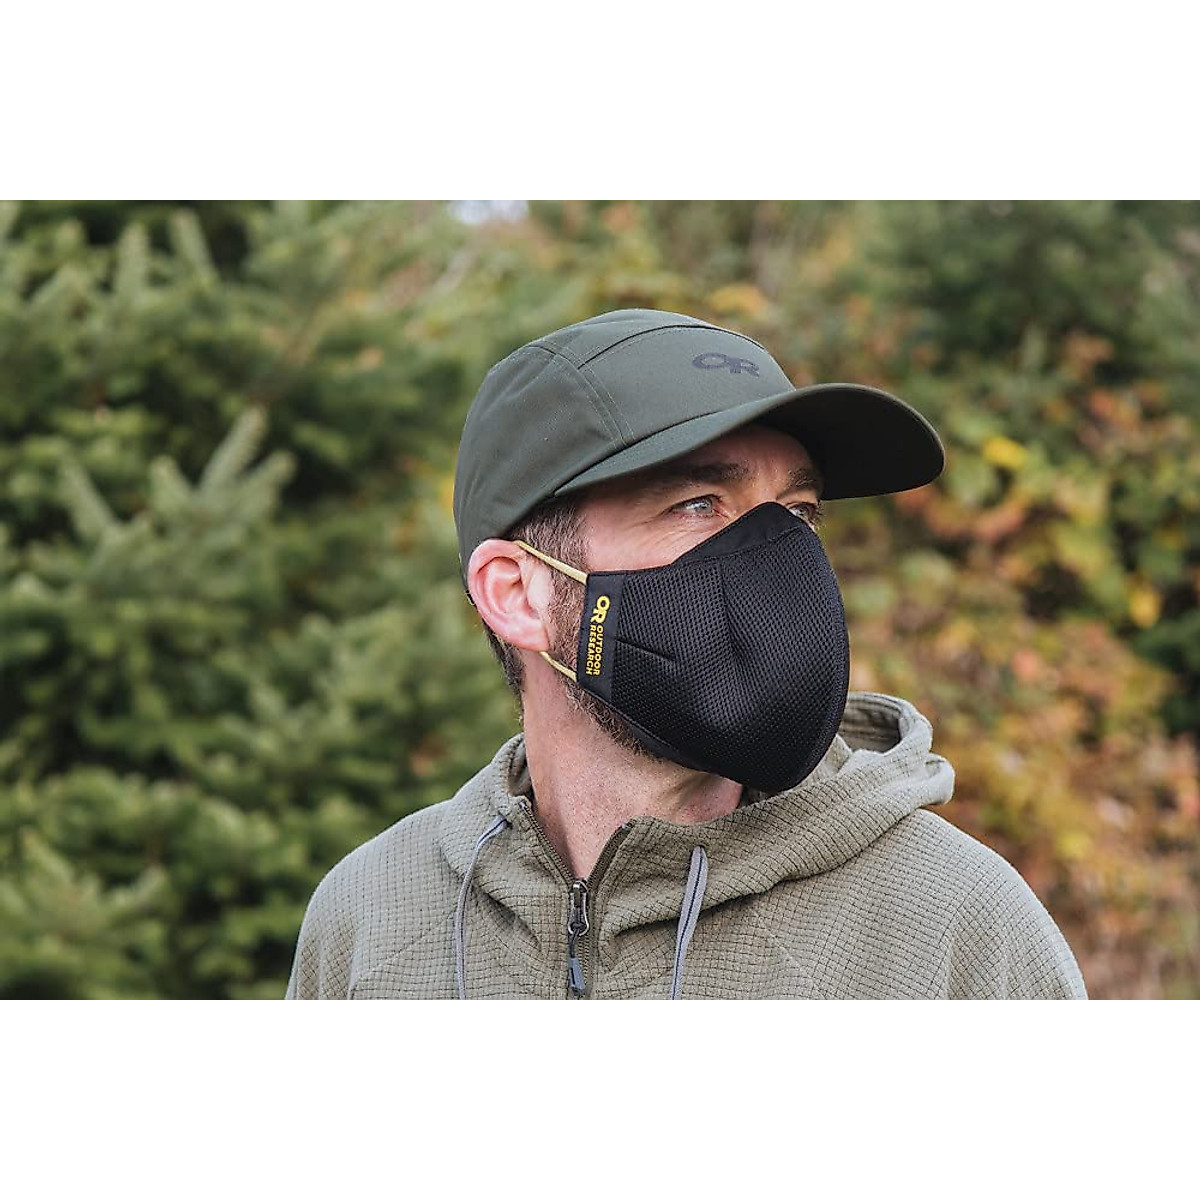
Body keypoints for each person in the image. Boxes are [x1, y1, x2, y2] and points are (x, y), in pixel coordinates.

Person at [285, 307, 1087, 1000]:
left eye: (798, 511)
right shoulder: (368, 919)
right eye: (698, 504)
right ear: (517, 594)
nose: (777, 555)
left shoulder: (957, 928)